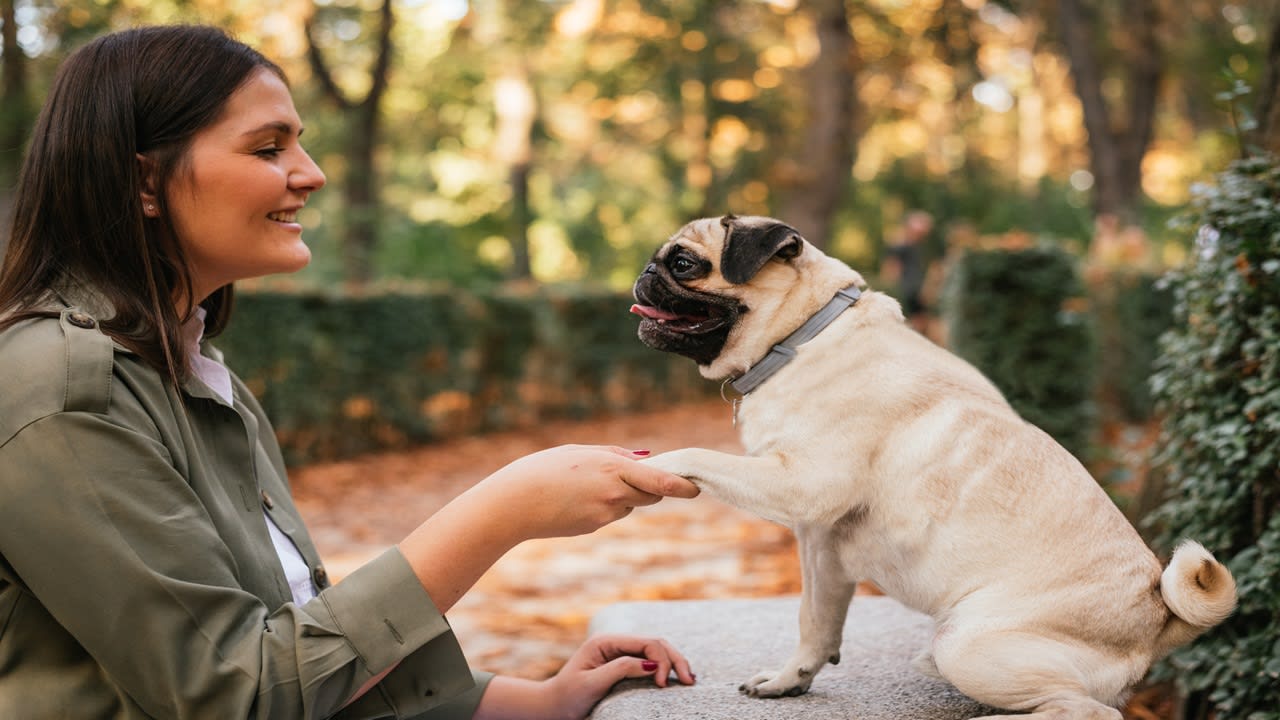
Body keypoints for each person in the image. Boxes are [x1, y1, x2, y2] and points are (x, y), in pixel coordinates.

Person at [0, 25, 698, 719]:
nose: (311, 174)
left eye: (298, 143)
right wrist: (498, 516)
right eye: (268, 148)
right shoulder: (62, 392)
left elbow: (299, 659)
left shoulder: (197, 372)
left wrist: (533, 702)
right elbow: (239, 697)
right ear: (144, 182)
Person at [879, 210, 933, 334]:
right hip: (907, 290)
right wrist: (891, 287)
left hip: (914, 289)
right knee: (914, 322)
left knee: (920, 321)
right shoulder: (899, 245)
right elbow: (891, 268)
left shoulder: (915, 246)